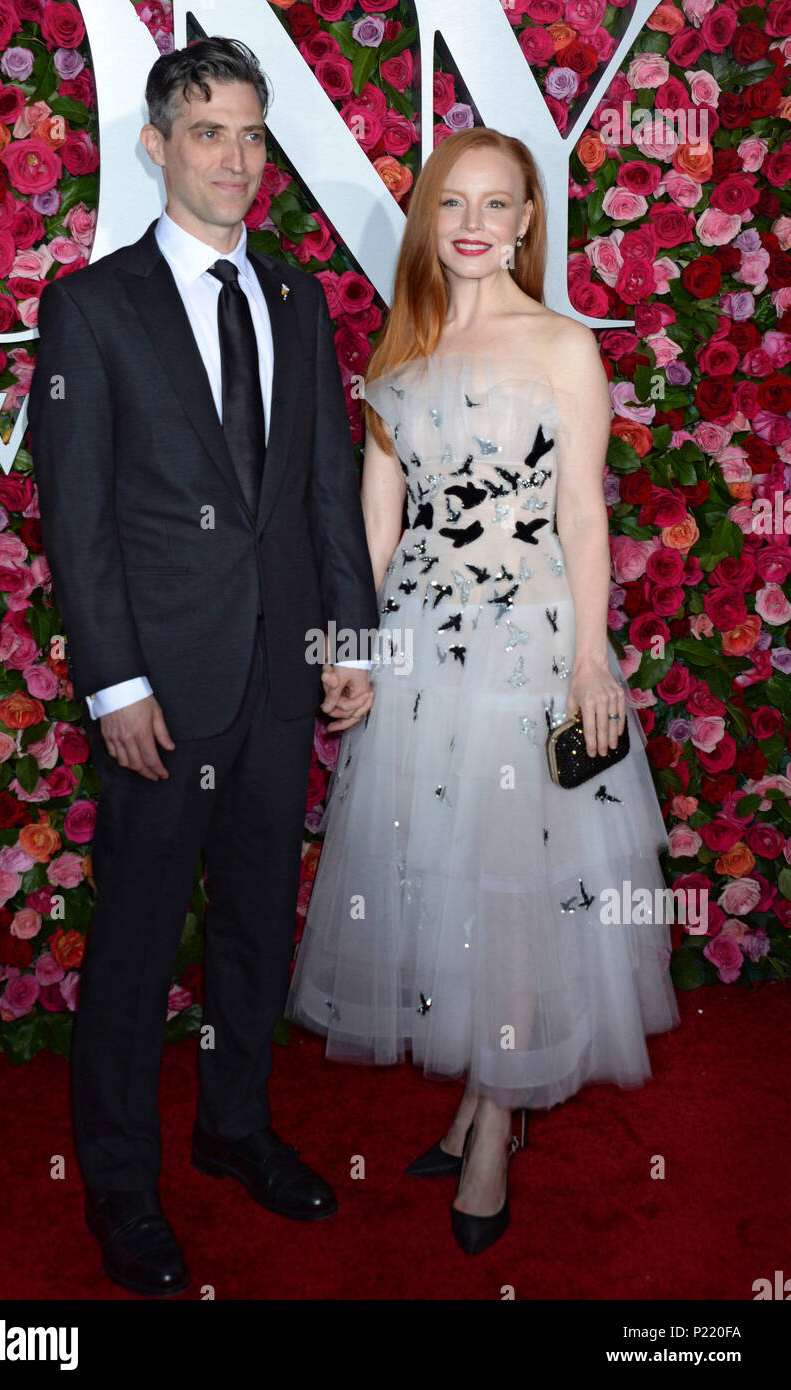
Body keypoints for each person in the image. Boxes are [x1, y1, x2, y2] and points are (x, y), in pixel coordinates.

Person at [287, 127, 681, 1256]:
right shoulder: (396, 359)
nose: (472, 221)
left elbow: (585, 512)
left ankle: (501, 1121)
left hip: (530, 645)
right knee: (438, 873)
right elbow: (376, 521)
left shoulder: (563, 345)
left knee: (517, 876)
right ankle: (477, 1094)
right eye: (452, 202)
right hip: (420, 646)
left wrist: (593, 658)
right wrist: (347, 648)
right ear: (430, 220)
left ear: (523, 224)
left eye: (496, 204)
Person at [28, 38, 378, 1297]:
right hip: (160, 693)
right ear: (157, 145)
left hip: (282, 674)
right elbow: (78, 515)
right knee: (133, 944)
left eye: (251, 133)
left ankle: (234, 1127)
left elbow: (328, 484)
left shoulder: (295, 299)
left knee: (252, 927)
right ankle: (120, 1187)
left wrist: (348, 633)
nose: (235, 159)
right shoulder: (93, 306)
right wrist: (114, 684)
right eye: (210, 132)